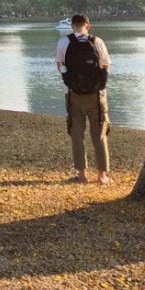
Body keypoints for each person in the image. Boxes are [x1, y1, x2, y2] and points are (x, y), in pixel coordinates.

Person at [55, 13, 111, 184]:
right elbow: (105, 65)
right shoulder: (97, 42)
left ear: (72, 26)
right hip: (97, 95)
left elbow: (59, 66)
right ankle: (102, 176)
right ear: (88, 26)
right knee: (99, 134)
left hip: (73, 95)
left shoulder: (64, 42)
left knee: (77, 134)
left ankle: (82, 174)